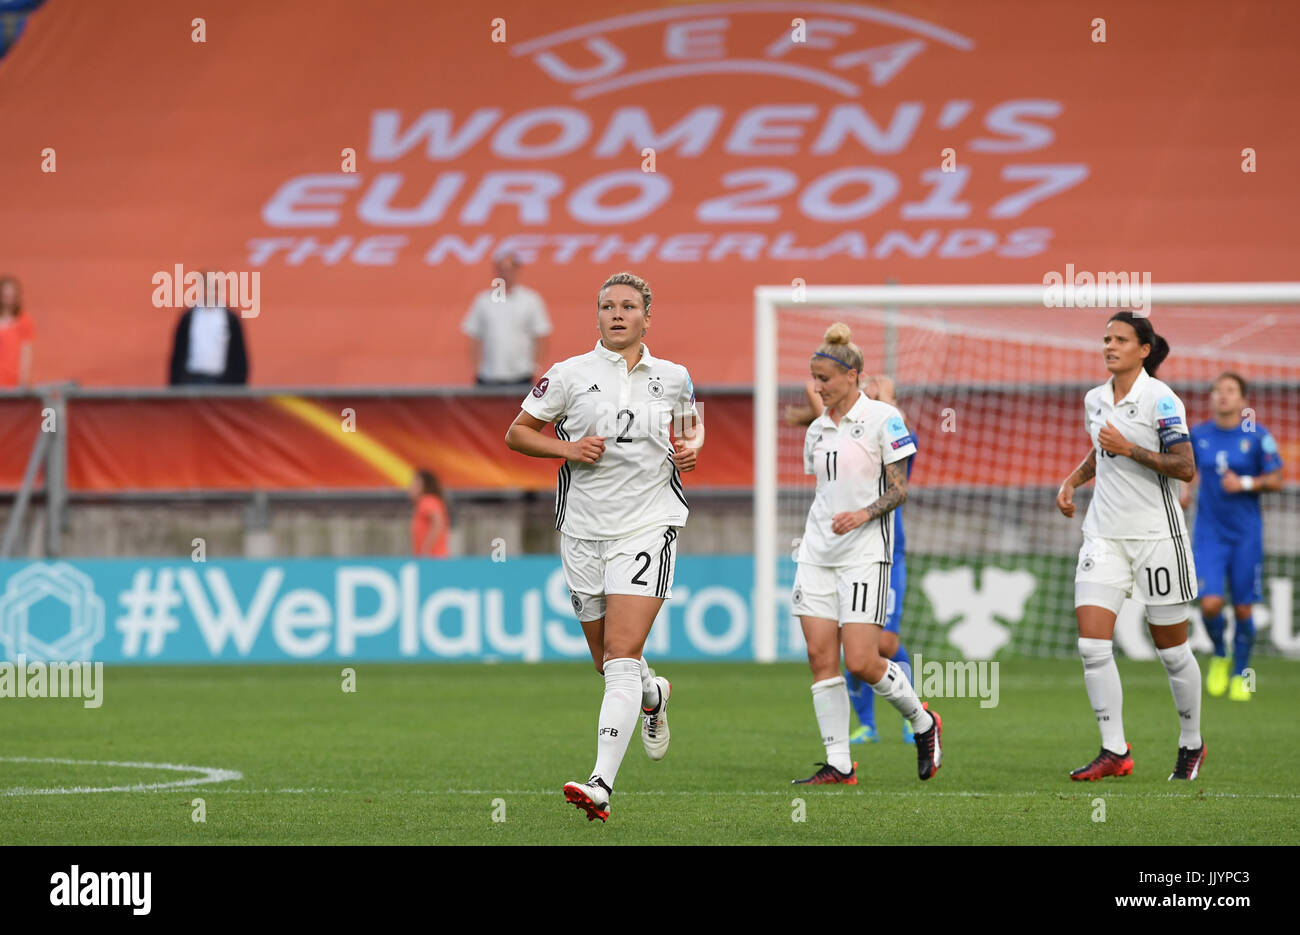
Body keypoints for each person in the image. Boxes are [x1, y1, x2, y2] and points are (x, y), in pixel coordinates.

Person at [504, 271, 703, 822]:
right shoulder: (568, 375)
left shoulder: (674, 377)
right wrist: (565, 449)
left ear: (646, 317)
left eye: (627, 307)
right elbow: (517, 433)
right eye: (607, 306)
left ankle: (601, 785)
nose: (617, 314)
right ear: (597, 317)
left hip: (649, 524)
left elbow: (689, 430)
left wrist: (689, 453)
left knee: (619, 654)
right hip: (582, 530)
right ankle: (653, 696)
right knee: (606, 660)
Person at [790, 323, 941, 787]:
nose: (818, 387)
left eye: (826, 379)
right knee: (821, 658)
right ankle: (839, 763)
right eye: (814, 378)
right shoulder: (817, 430)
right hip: (817, 553)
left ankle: (922, 721)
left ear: (853, 375)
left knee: (862, 660)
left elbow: (900, 490)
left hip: (865, 554)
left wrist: (862, 514)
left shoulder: (884, 419)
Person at [1057, 311, 1204, 782]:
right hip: (1104, 535)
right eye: (1106, 338)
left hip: (1158, 538)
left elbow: (1184, 468)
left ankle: (1191, 742)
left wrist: (1130, 449)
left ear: (1144, 349)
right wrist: (1074, 480)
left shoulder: (1163, 401)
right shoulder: (1094, 399)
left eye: (1120, 339)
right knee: (1092, 646)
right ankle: (1114, 750)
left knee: (1172, 652)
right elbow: (1102, 449)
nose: (1109, 345)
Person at [788, 374, 917, 744]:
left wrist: (884, 397)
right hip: (835, 551)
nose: (873, 389)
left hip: (882, 552)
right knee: (846, 645)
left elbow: (897, 477)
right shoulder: (840, 428)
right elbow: (832, 421)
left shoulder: (890, 426)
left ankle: (914, 714)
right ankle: (866, 726)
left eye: (881, 386)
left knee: (884, 645)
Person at [1180, 373, 1283, 701]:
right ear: (1211, 397)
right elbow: (1186, 472)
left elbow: (1277, 479)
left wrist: (1247, 484)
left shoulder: (1256, 435)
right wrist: (1183, 490)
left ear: (1242, 400)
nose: (1222, 396)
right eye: (1217, 390)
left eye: (1230, 391)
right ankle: (1220, 654)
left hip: (1245, 536)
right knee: (1209, 604)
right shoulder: (1199, 435)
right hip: (1209, 533)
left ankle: (1241, 672)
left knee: (1242, 610)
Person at [462, 249, 551, 389]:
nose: (505, 274)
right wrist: (476, 368)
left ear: (517, 270)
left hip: (521, 375)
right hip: (488, 376)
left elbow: (540, 335)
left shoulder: (530, 300)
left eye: (509, 269)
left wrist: (536, 367)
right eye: (501, 269)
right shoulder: (483, 301)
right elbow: (474, 336)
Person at [168, 273, 250, 385]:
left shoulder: (230, 318)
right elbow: (178, 353)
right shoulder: (189, 316)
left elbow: (239, 355)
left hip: (222, 383)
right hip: (191, 381)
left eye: (214, 287)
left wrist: (238, 385)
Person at [0, 275, 35, 388]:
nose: (8, 298)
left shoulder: (24, 321)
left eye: (11, 295)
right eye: (6, 294)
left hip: (12, 382)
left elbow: (26, 352)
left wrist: (23, 381)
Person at [409, 468, 450, 558]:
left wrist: (426, 549)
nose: (411, 487)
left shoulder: (427, 501)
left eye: (415, 484)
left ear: (424, 486)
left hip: (432, 558)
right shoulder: (425, 502)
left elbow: (438, 522)